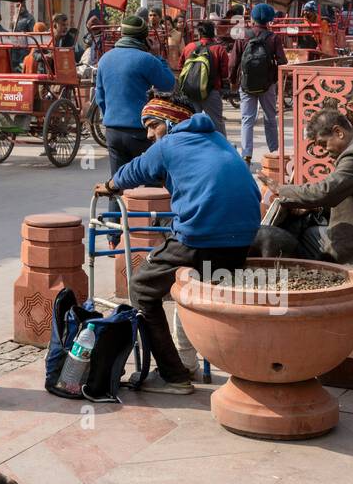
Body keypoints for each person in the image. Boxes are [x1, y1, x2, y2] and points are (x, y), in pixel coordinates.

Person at [102, 91, 262, 394]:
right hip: (242, 238)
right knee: (196, 284)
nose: (150, 134)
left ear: (170, 121)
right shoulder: (217, 139)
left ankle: (173, 376)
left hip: (203, 234)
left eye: (153, 125)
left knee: (142, 287)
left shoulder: (170, 144)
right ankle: (192, 361)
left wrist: (108, 186)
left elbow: (133, 172)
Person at [255, 109, 353, 264]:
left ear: (339, 132)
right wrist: (314, 208)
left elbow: (326, 191)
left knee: (299, 237)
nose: (325, 151)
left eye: (324, 144)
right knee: (308, 231)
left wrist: (280, 189)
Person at [94, 11, 175, 231]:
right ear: (143, 38)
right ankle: (151, 234)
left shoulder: (105, 59)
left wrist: (111, 117)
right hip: (141, 132)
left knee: (116, 182)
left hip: (113, 131)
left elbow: (99, 97)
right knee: (152, 182)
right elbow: (168, 84)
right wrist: (159, 57)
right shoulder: (146, 59)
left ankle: (113, 236)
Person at [229, 2, 287, 167]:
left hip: (246, 84)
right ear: (269, 19)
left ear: (253, 17)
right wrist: (274, 79)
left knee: (247, 119)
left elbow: (233, 62)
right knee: (270, 118)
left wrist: (233, 80)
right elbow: (282, 61)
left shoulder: (243, 35)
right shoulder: (273, 38)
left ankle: (246, 155)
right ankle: (274, 153)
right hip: (267, 85)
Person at [178, 19, 230, 134]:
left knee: (191, 124)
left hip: (190, 92)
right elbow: (225, 73)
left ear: (199, 33)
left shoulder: (189, 47)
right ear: (213, 32)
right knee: (217, 124)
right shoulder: (219, 49)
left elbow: (180, 67)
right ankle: (221, 149)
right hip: (211, 92)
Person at [10, 0, 35, 73]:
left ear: (24, 6)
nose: (18, 8)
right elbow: (12, 30)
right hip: (14, 46)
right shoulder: (15, 17)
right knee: (14, 67)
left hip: (24, 47)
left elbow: (32, 33)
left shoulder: (29, 18)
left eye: (20, 6)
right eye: (17, 6)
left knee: (22, 66)